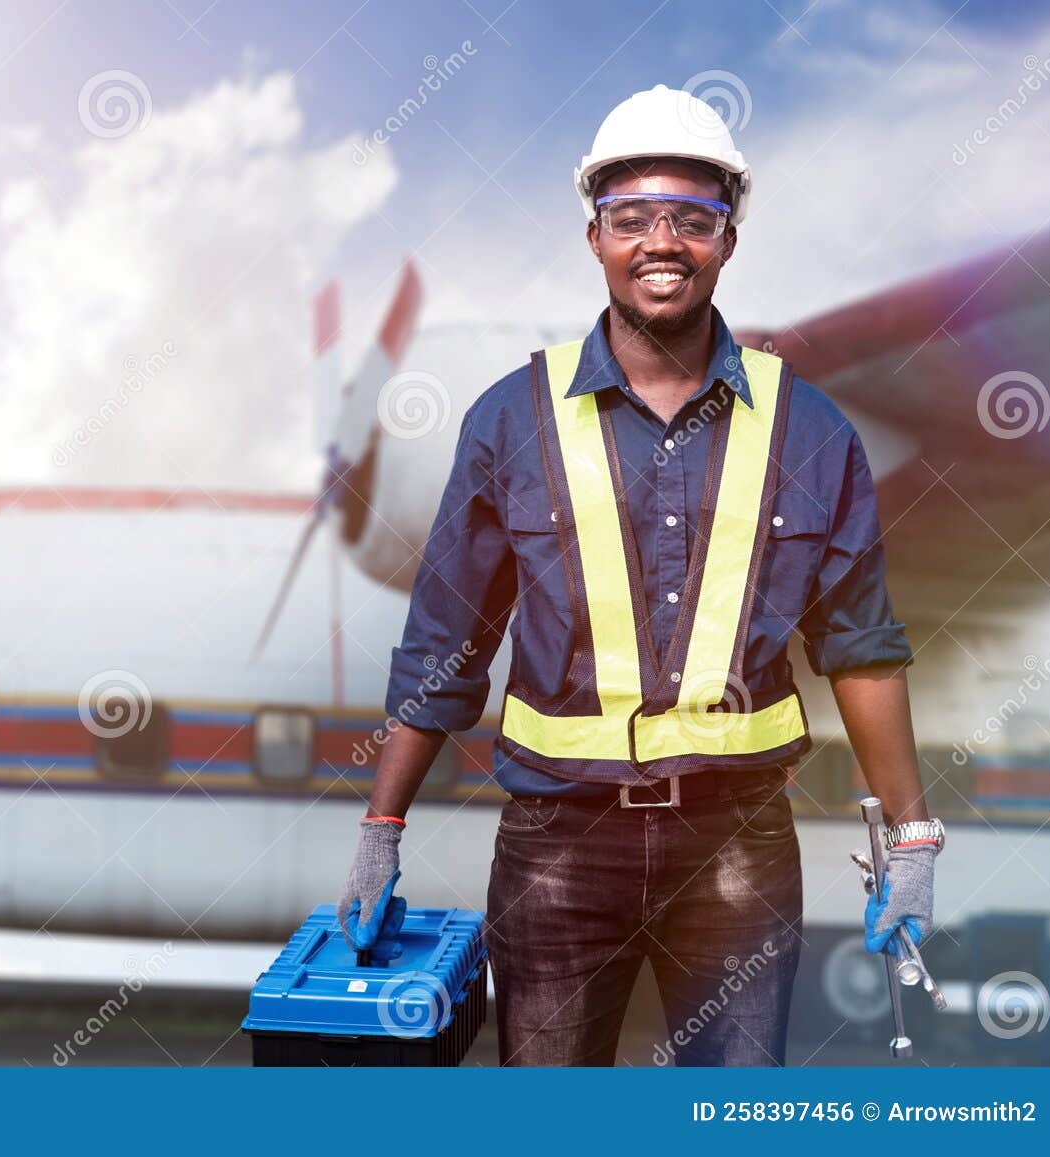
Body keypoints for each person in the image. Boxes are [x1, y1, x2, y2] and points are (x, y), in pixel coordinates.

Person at [336, 84, 944, 1066]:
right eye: (632, 217)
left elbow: (860, 642)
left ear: (726, 240)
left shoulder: (810, 430)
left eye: (691, 218)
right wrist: (381, 823)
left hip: (739, 842)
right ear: (595, 236)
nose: (660, 239)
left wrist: (911, 835)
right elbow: (448, 642)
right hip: (555, 846)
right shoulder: (510, 419)